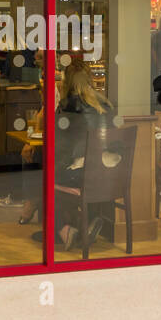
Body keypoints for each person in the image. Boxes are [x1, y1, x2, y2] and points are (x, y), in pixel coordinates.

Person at [55, 59, 115, 249]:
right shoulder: (105, 104)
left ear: (67, 82)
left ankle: (65, 230)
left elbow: (60, 144)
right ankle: (84, 224)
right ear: (89, 79)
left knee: (42, 180)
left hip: (83, 172)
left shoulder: (66, 106)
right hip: (109, 172)